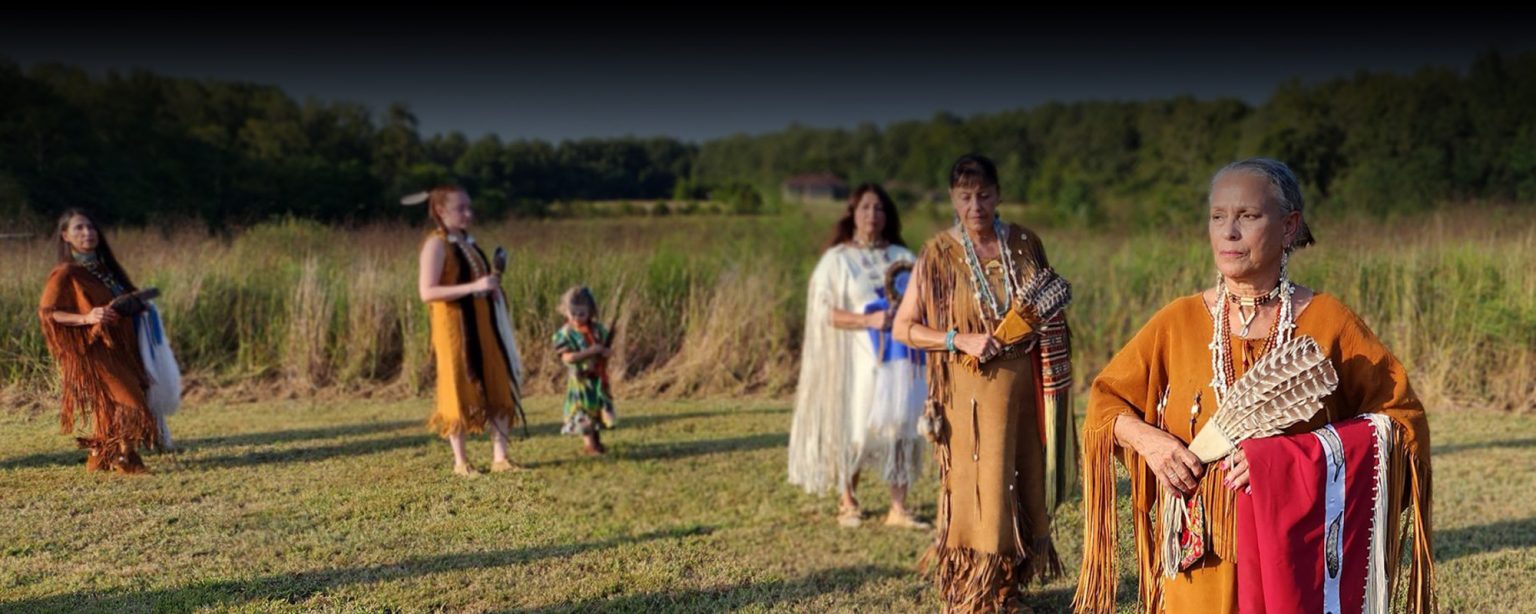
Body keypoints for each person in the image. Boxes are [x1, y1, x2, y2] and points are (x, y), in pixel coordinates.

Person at [1072, 158, 1433, 614]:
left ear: (1288, 227)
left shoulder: (1328, 323)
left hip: (1297, 558)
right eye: (1218, 216)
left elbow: (1401, 425)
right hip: (1199, 559)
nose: (1229, 232)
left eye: (1248, 216)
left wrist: (1293, 461)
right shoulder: (1177, 321)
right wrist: (1152, 443)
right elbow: (1106, 404)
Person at [892, 155, 1077, 612]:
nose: (975, 205)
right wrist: (959, 338)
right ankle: (971, 592)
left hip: (1027, 387)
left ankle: (1006, 589)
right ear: (953, 199)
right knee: (982, 488)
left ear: (998, 194)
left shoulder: (1025, 243)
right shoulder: (937, 254)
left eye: (984, 195)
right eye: (965, 196)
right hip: (969, 393)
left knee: (1024, 481)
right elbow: (904, 328)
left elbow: (1050, 310)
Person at [788, 183, 930, 530]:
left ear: (888, 215)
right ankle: (848, 500)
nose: (872, 215)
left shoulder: (904, 257)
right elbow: (823, 312)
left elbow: (926, 301)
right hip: (857, 362)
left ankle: (898, 507)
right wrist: (865, 319)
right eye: (866, 207)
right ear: (852, 212)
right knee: (855, 429)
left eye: (879, 208)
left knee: (901, 428)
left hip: (900, 363)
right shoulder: (837, 261)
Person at [37, 209, 163, 474]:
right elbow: (48, 312)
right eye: (79, 228)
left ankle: (100, 456)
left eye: (91, 228)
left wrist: (136, 305)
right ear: (65, 236)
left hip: (121, 346)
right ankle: (126, 459)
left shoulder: (104, 269)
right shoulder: (65, 273)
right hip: (94, 349)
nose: (87, 233)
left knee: (112, 405)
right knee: (132, 402)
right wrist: (87, 317)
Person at [414, 185, 523, 477]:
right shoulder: (436, 245)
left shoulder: (467, 242)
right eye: (461, 208)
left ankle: (500, 458)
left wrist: (491, 291)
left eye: (469, 207)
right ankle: (461, 463)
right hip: (453, 330)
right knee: (457, 388)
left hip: (484, 326)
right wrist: (475, 287)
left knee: (497, 380)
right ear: (440, 210)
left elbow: (478, 282)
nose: (469, 213)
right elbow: (427, 291)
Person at [552, 286, 618, 455]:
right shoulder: (565, 334)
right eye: (572, 313)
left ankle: (596, 442)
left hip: (597, 379)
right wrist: (590, 352)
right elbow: (568, 358)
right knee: (583, 412)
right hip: (579, 382)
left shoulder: (597, 330)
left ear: (590, 312)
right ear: (565, 311)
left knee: (596, 411)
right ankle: (590, 445)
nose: (577, 318)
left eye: (581, 314)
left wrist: (605, 352)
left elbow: (605, 351)